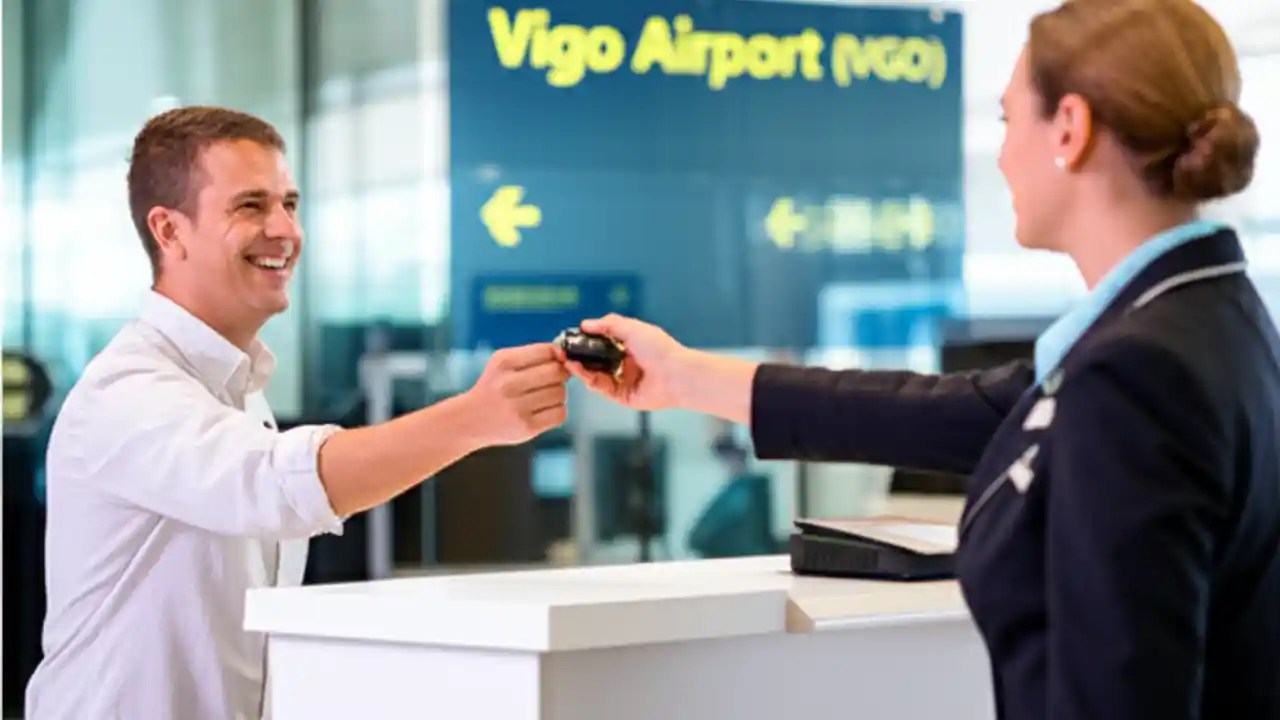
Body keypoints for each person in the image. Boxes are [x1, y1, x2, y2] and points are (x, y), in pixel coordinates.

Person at [566, 1, 1278, 718]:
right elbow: (956, 412)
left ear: (1070, 127)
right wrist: (684, 375)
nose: (1002, 155)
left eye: (1007, 120)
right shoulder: (1211, 322)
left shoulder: (1136, 376)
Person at [25, 107, 570, 719]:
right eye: (251, 206)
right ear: (169, 232)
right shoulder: (127, 392)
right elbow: (277, 485)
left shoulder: (237, 391)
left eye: (290, 203)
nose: (284, 229)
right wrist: (474, 419)